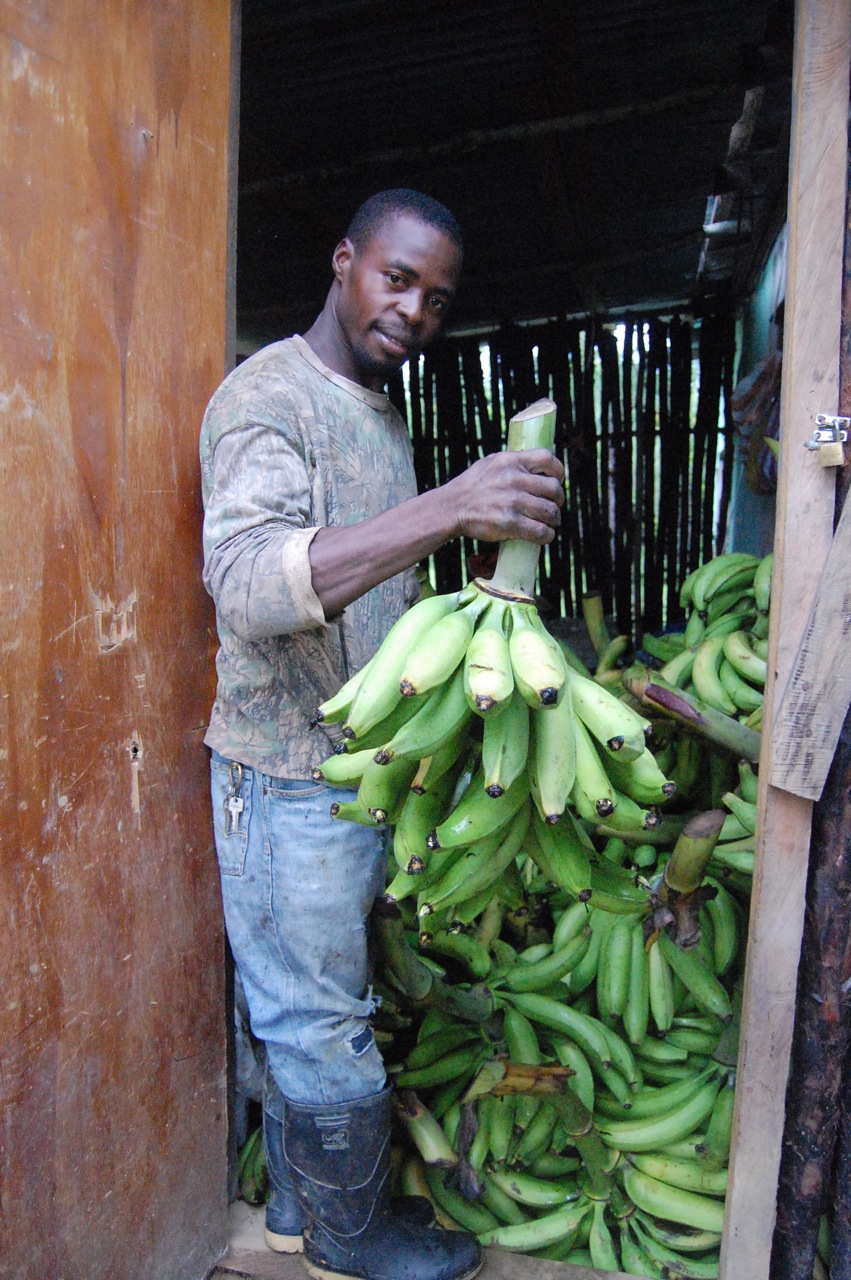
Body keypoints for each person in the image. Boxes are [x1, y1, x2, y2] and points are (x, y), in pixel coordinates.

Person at [200, 188, 564, 1280]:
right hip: (283, 774)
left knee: (313, 1004)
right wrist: (453, 505)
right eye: (396, 279)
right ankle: (348, 1245)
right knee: (318, 1019)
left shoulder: (373, 406)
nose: (413, 310)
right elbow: (253, 582)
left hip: (358, 774)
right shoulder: (267, 398)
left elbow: (368, 575)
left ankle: (296, 1219)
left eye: (436, 299)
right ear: (345, 259)